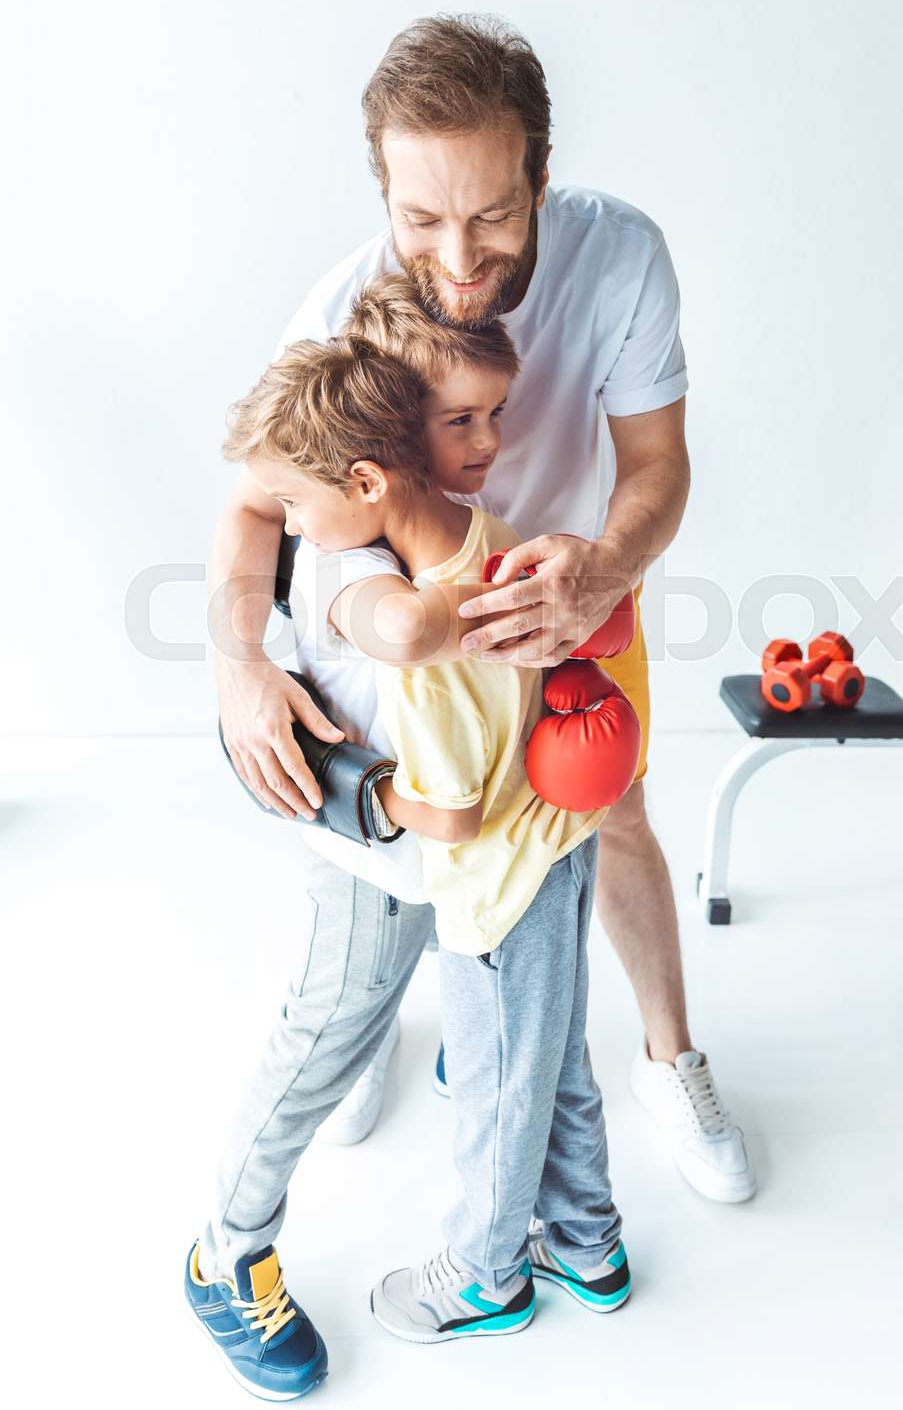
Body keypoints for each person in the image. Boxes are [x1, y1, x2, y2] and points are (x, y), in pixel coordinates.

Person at [212, 13, 755, 1204]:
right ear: (383, 193)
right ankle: (369, 1031)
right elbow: (256, 501)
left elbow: (658, 467)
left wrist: (603, 566)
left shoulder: (621, 261)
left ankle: (670, 1058)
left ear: (541, 178)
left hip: (561, 584)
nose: (456, 254)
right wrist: (238, 661)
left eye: (493, 214)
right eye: (420, 218)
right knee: (395, 827)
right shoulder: (341, 304)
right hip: (391, 599)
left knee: (608, 812)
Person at [186, 282, 629, 1398]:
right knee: (326, 1036)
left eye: (489, 417)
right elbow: (397, 638)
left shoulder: (447, 524)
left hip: (471, 853)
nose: (485, 442)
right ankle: (223, 1253)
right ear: (388, 443)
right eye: (458, 420)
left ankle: (569, 1225)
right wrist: (386, 795)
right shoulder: (344, 555)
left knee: (528, 1037)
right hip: (378, 853)